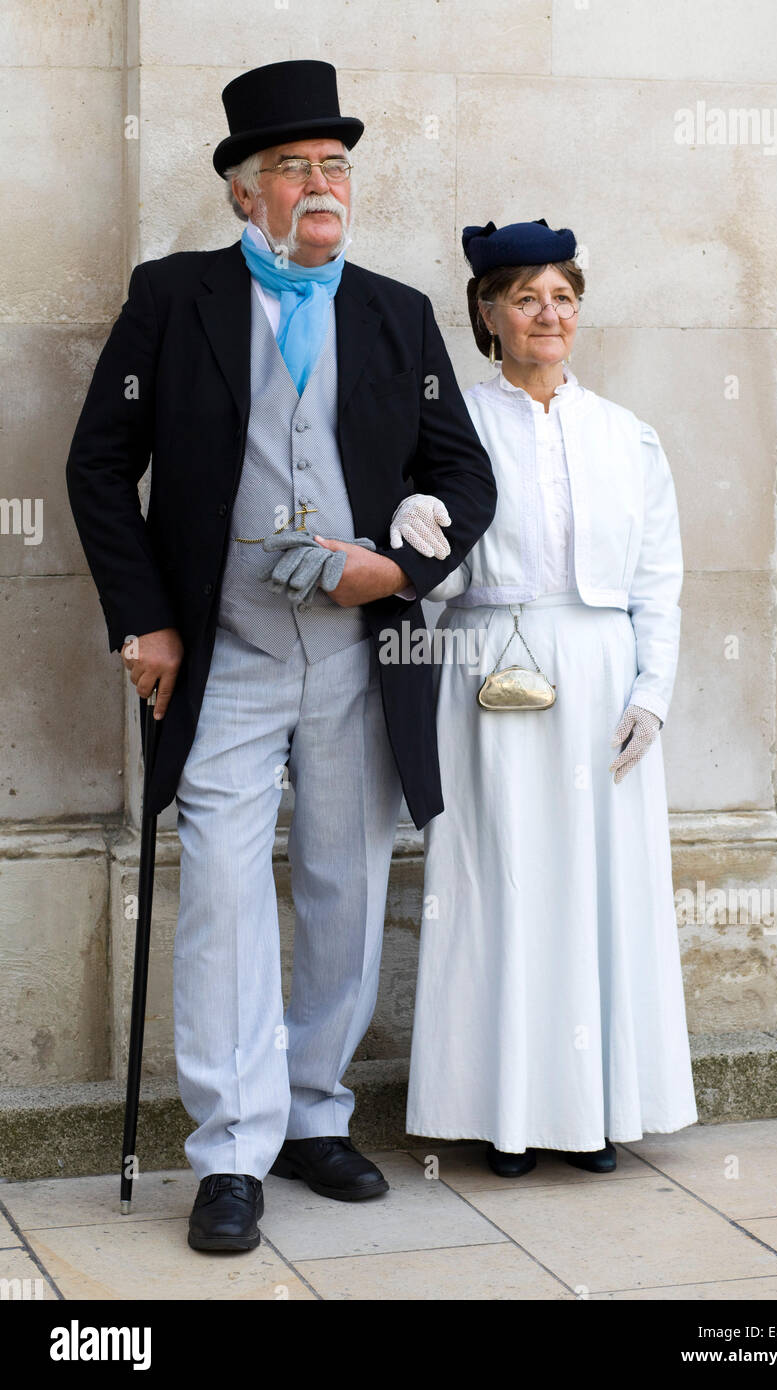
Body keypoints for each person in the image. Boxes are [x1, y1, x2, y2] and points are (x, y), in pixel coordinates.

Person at [66, 60, 496, 1252]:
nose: (322, 185)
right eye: (295, 168)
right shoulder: (172, 298)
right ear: (241, 194)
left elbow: (464, 476)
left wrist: (397, 570)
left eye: (336, 166)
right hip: (228, 655)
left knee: (346, 893)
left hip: (359, 656)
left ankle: (313, 1112)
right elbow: (100, 462)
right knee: (218, 897)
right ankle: (230, 1148)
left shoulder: (397, 312)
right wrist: (141, 617)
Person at [406, 218, 698, 1176]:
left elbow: (659, 576)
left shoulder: (626, 435)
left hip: (601, 674)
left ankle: (597, 1112)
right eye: (525, 298)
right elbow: (433, 574)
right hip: (488, 663)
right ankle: (506, 1117)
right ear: (488, 314)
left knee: (597, 888)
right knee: (500, 884)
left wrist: (652, 694)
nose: (548, 314)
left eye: (563, 297)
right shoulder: (455, 425)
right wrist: (409, 523)